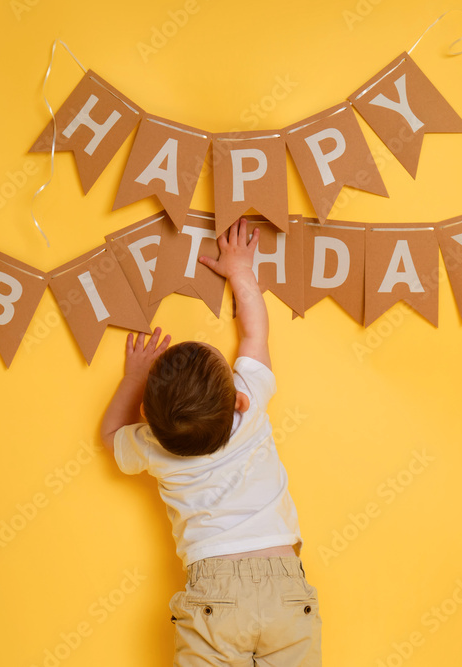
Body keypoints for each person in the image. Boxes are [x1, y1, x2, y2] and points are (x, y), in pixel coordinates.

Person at [101, 217, 321, 666]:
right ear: (237, 398)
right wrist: (240, 271)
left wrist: (133, 379)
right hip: (285, 587)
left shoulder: (152, 448)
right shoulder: (251, 406)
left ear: (151, 425)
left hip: (213, 594)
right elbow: (255, 333)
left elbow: (110, 436)